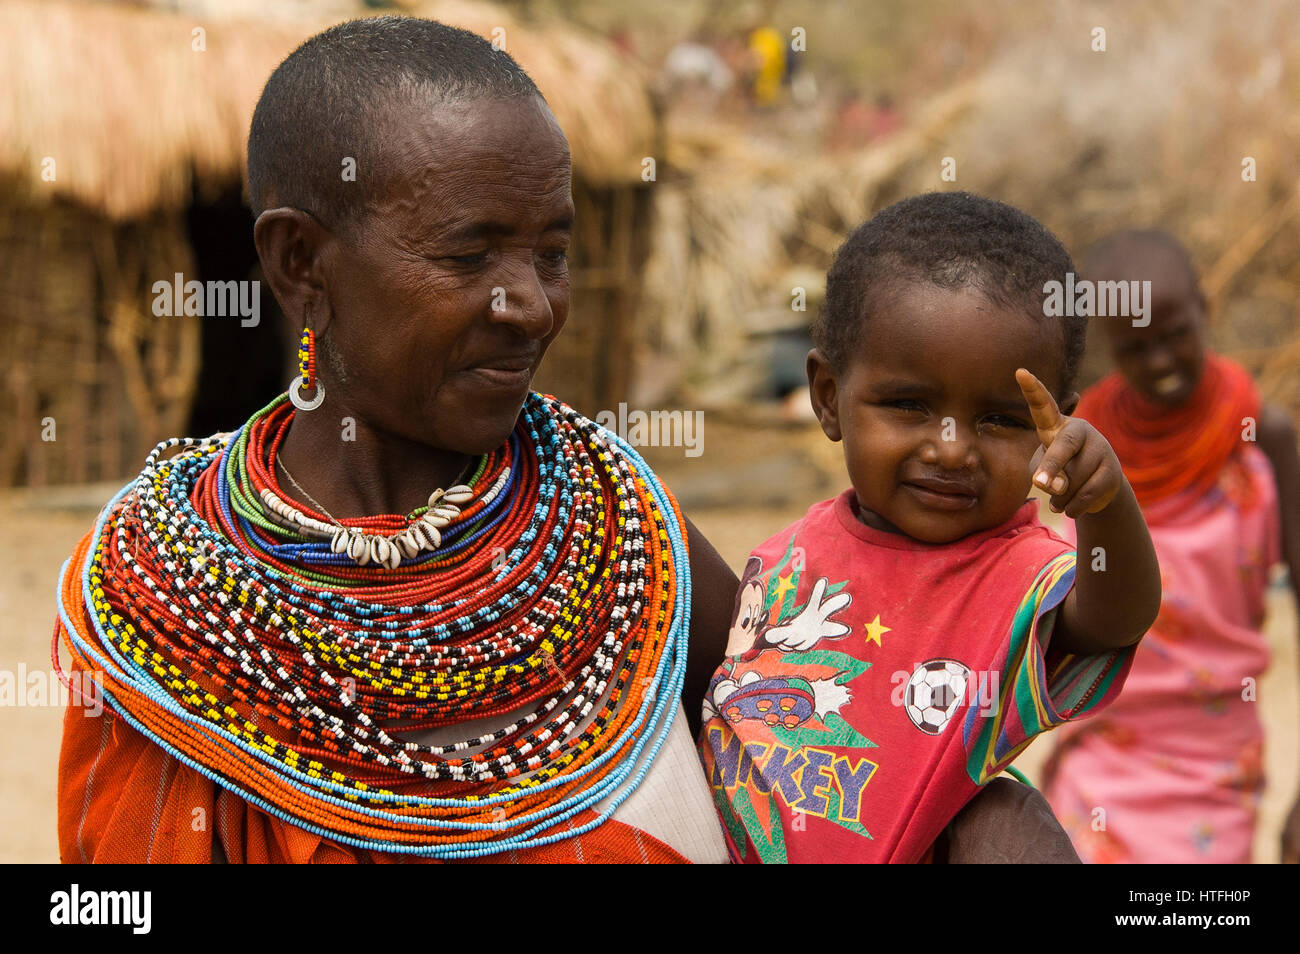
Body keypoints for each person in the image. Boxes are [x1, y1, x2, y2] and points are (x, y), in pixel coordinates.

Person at [54, 19, 1081, 864]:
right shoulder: (161, 601)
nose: (532, 305)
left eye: (552, 251)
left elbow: (823, 744)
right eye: (470, 253)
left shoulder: (617, 521)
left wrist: (991, 825)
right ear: (299, 262)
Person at [697, 191, 1162, 863]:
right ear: (829, 398)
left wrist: (1108, 504)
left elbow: (1118, 616)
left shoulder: (1024, 580)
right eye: (908, 404)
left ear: (1053, 428)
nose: (950, 449)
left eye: (1000, 419)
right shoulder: (785, 555)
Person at [1041, 230, 1300, 863]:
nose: (1160, 360)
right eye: (1135, 347)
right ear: (1107, 345)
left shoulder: (1264, 438)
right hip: (1103, 752)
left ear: (1204, 310)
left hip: (1216, 765)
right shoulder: (1086, 452)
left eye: (1174, 333)